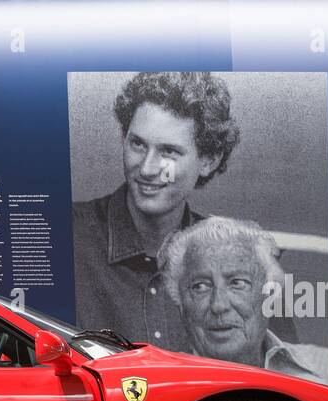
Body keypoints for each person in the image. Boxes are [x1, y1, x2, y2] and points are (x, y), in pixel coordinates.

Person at [72, 72, 241, 350]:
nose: (148, 169)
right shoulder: (68, 237)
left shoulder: (238, 260)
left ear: (209, 160)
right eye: (138, 144)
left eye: (169, 152)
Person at [158, 216, 328, 383]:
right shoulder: (157, 386)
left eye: (237, 283)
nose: (219, 305)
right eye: (200, 286)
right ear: (181, 304)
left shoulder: (327, 371)